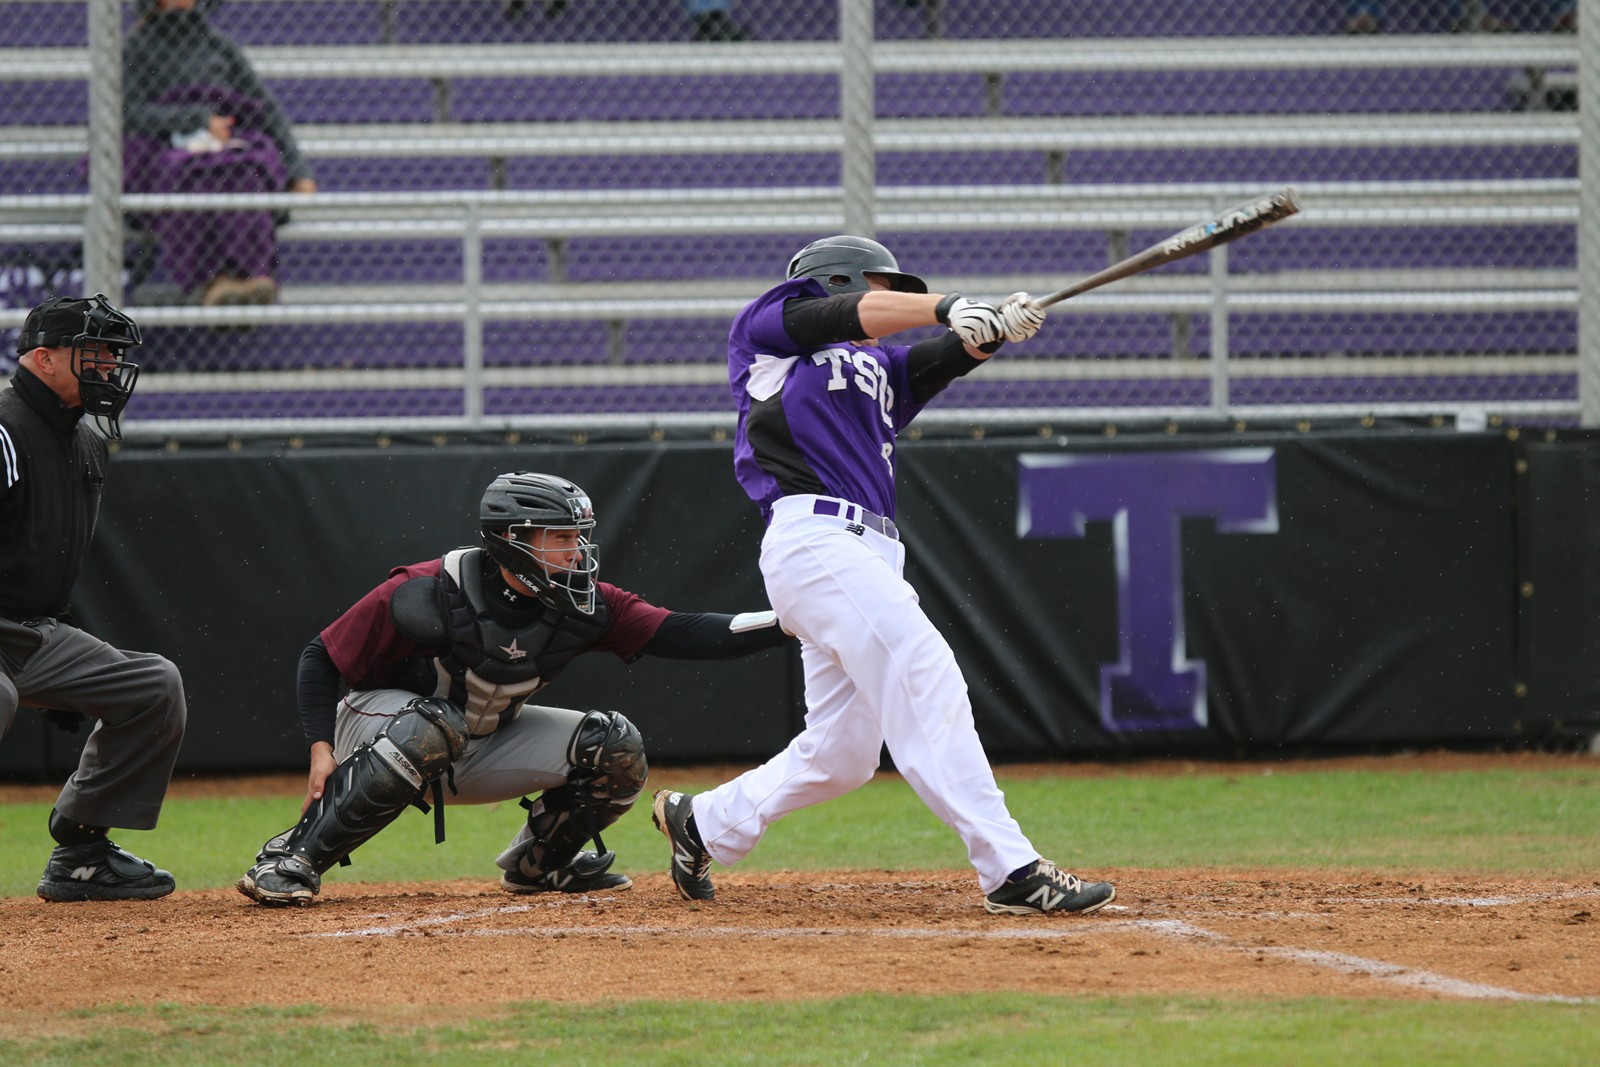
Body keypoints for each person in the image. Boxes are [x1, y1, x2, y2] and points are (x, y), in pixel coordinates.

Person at [650, 236, 1116, 916]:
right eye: (880, 283)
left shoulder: (876, 371)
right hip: (814, 538)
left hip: (865, 553)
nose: (892, 293)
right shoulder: (769, 330)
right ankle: (1008, 865)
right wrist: (950, 305)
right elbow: (844, 317)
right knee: (923, 666)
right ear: (838, 278)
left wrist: (992, 332)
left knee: (844, 753)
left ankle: (705, 821)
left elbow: (932, 362)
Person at [237, 471, 793, 906]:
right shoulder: (430, 588)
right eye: (561, 538)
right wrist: (319, 748)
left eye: (579, 538)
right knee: (437, 723)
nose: (576, 553)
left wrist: (789, 621)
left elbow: (685, 632)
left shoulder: (586, 602)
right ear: (511, 539)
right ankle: (292, 856)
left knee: (616, 747)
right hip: (380, 731)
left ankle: (540, 865)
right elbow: (320, 657)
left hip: (475, 741)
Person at [0, 294, 188, 902]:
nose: (109, 366)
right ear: (44, 359)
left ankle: (81, 852)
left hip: (31, 629)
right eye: (96, 352)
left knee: (152, 687)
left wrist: (55, 649)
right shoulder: (3, 428)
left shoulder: (84, 444)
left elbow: (41, 559)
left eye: (113, 354)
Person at [122, 0, 317, 307]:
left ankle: (251, 276)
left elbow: (265, 108)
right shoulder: (135, 49)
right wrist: (196, 120)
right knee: (195, 175)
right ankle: (214, 281)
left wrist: (297, 170)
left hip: (223, 141)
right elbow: (126, 112)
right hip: (166, 147)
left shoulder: (218, 45)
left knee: (245, 168)